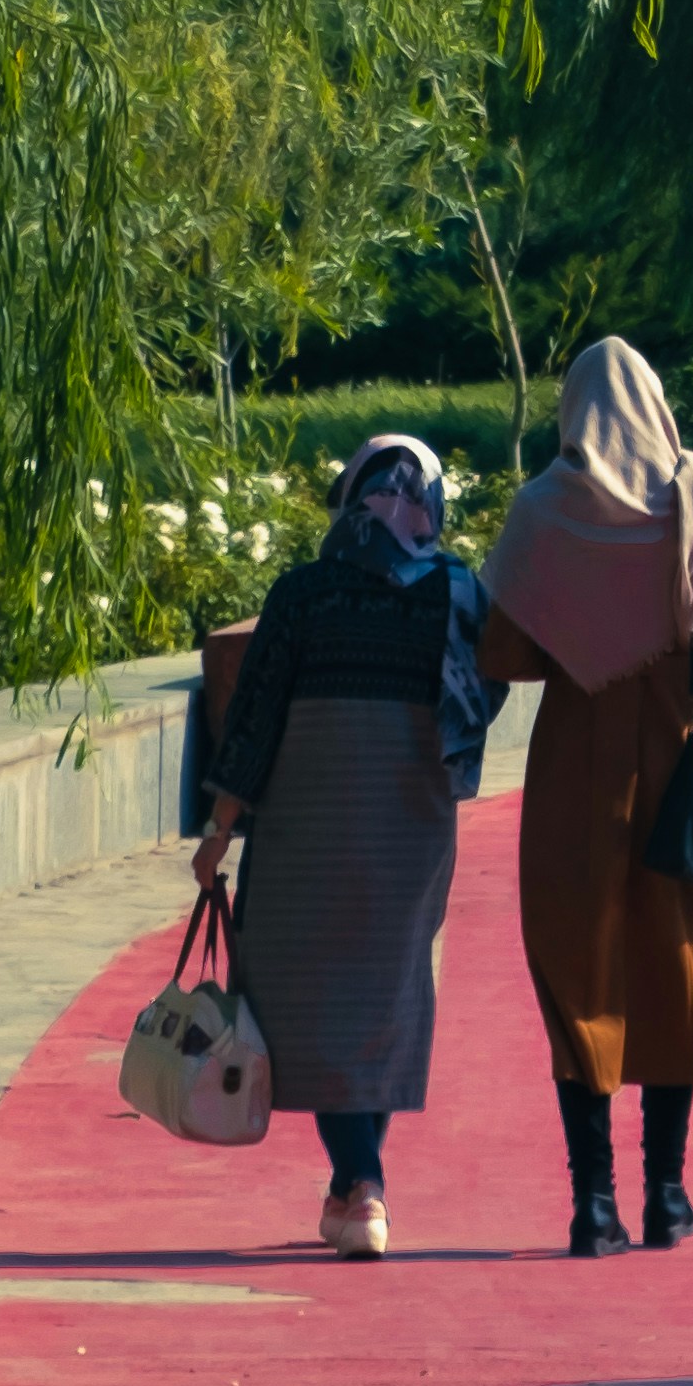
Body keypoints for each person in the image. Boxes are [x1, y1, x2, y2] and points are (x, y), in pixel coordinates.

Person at [475, 338, 693, 1256]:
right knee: (677, 965)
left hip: (578, 763)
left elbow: (502, 657)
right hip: (687, 756)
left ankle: (592, 1201)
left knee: (582, 967)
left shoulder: (542, 512)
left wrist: (584, 631)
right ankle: (667, 1193)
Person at [196, 433, 491, 1258]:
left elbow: (253, 718)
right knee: (383, 1002)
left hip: (305, 831)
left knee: (315, 1009)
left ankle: (362, 1183)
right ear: (428, 501)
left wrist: (219, 832)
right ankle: (353, 1187)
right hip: (410, 829)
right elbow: (485, 695)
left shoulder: (301, 594)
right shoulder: (459, 594)